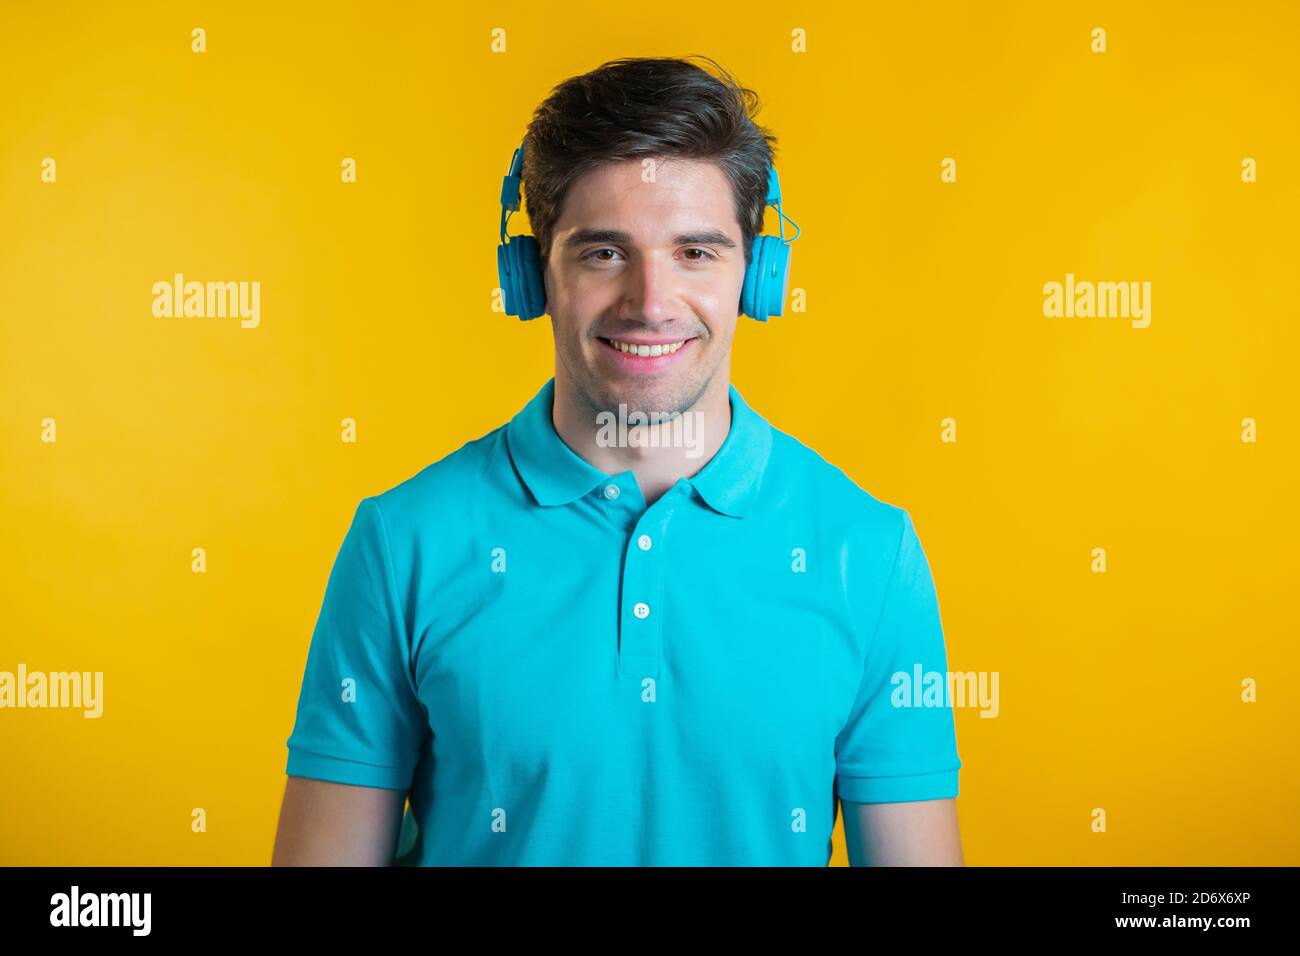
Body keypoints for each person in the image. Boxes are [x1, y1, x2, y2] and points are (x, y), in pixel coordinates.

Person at [272, 55, 963, 866]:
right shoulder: (402, 542)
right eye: (603, 253)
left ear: (759, 275)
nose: (650, 301)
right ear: (532, 273)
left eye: (696, 253)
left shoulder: (869, 554)